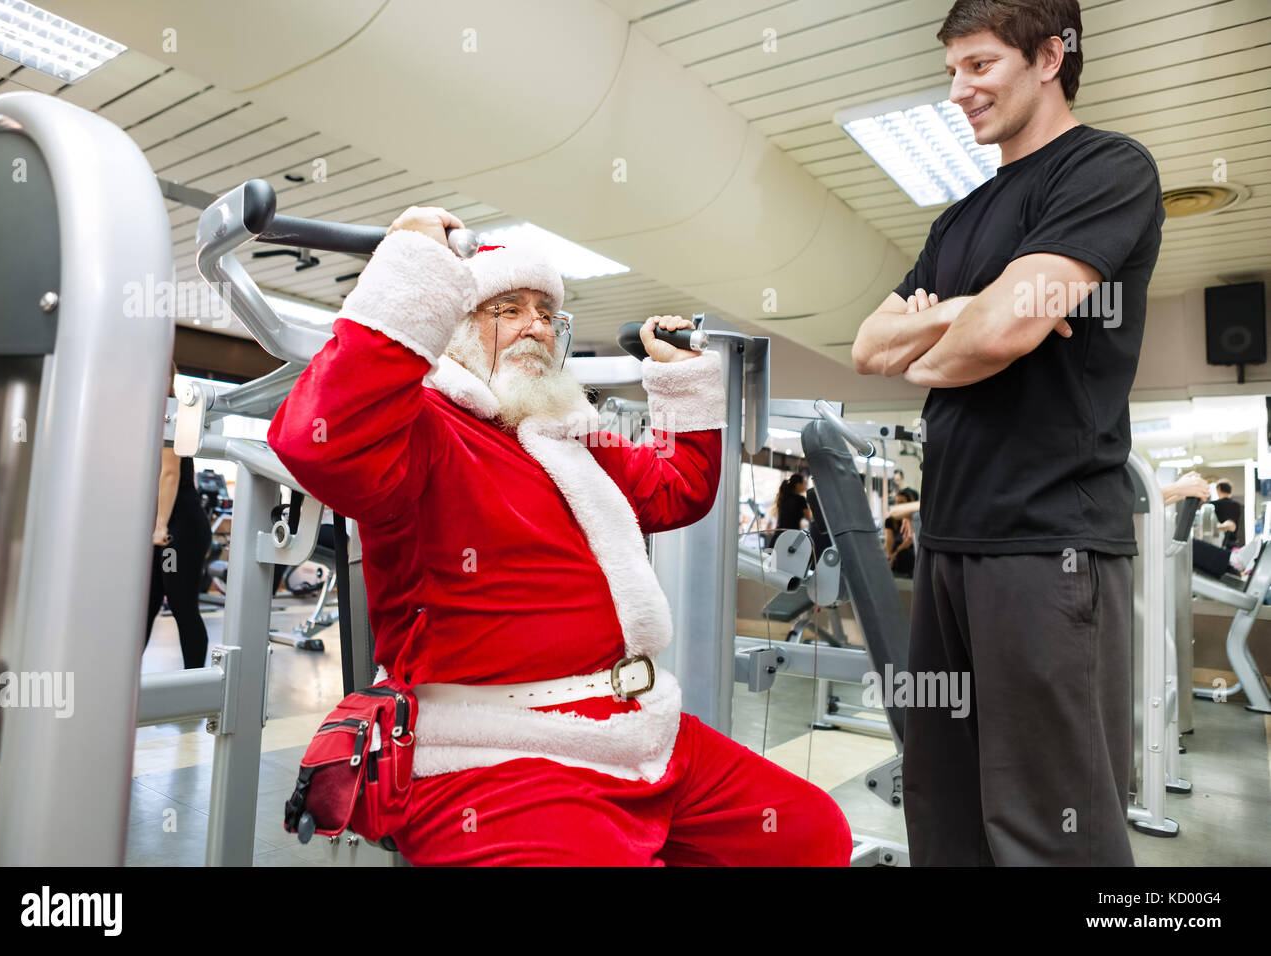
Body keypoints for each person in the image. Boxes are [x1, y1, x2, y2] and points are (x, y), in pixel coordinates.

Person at [268, 205, 851, 866]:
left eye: (547, 312)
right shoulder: (424, 424)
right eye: (508, 309)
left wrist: (675, 376)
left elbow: (677, 490)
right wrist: (412, 273)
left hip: (636, 731)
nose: (536, 327)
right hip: (493, 757)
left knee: (809, 832)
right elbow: (320, 445)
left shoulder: (570, 434)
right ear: (455, 324)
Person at [851, 0, 1163, 866]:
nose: (959, 90)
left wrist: (962, 328)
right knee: (942, 809)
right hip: (948, 541)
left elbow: (998, 338)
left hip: (1047, 543)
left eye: (980, 66)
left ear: (1050, 57)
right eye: (952, 69)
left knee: (1047, 829)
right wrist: (966, 309)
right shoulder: (957, 220)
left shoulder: (1106, 169)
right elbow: (872, 347)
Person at [145, 361, 212, 669]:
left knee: (182, 605)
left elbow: (169, 474)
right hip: (165, 523)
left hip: (178, 529)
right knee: (144, 607)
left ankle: (195, 683)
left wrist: (160, 527)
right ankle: (123, 684)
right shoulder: (146, 414)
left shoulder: (169, 411)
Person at [885, 488, 919, 578]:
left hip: (907, 553)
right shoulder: (890, 520)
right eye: (896, 502)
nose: (897, 505)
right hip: (896, 552)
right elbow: (889, 541)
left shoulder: (913, 519)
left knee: (903, 554)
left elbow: (909, 541)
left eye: (901, 502)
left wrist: (894, 555)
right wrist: (889, 556)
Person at [770, 473, 811, 547]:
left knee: (771, 556)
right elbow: (810, 517)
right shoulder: (800, 499)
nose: (806, 486)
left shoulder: (783, 497)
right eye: (804, 483)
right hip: (790, 537)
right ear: (798, 485)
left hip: (778, 536)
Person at [1211, 479, 1242, 549]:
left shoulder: (1212, 505)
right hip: (1234, 544)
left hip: (1217, 545)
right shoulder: (1238, 506)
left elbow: (1230, 525)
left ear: (1218, 489)